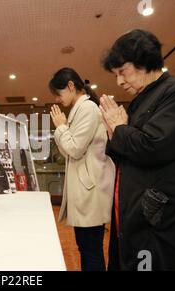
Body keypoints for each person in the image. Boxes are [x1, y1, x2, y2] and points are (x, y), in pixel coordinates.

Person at [100, 29, 175, 270]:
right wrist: (114, 132)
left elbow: (152, 147)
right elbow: (124, 152)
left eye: (122, 72)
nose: (119, 81)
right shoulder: (140, 101)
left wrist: (119, 127)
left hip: (172, 224)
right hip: (141, 220)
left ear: (144, 61)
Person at [49, 67, 115, 271]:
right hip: (87, 190)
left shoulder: (87, 109)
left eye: (59, 94)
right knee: (87, 248)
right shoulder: (81, 109)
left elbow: (74, 149)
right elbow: (68, 149)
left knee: (90, 250)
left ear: (70, 86)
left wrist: (61, 127)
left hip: (90, 191)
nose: (58, 100)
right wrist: (64, 131)